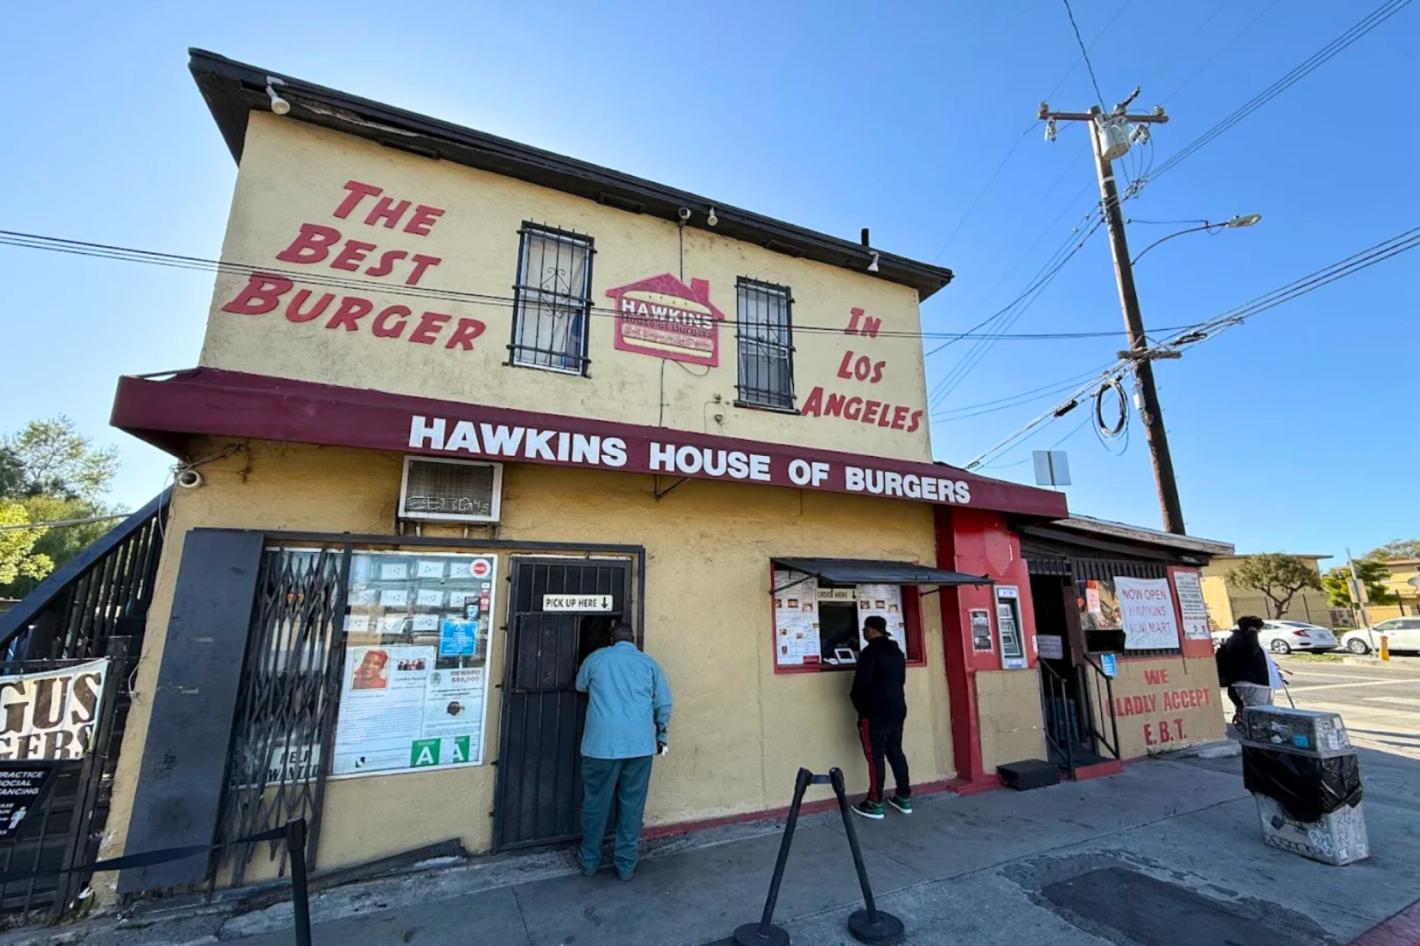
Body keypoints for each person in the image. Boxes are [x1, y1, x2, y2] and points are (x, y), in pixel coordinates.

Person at [574, 622, 672, 881]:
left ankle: (590, 861)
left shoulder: (596, 659)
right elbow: (664, 703)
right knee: (632, 805)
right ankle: (626, 865)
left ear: (611, 638)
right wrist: (662, 734)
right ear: (634, 639)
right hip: (640, 745)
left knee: (595, 803)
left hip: (601, 746)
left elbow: (580, 685)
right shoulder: (649, 663)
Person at [849, 615, 911, 819]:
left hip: (875, 713)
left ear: (874, 630)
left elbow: (859, 687)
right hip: (897, 709)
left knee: (875, 759)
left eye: (866, 629)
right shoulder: (897, 652)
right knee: (896, 752)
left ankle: (875, 803)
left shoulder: (869, 653)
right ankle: (904, 797)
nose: (863, 632)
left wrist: (862, 710)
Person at [1215, 615, 1272, 726]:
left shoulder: (1234, 639)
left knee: (1250, 710)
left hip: (1242, 681)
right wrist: (1252, 634)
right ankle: (1255, 732)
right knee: (1258, 712)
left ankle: (1250, 727)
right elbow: (1250, 651)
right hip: (1252, 682)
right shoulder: (1247, 641)